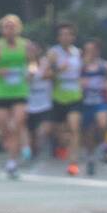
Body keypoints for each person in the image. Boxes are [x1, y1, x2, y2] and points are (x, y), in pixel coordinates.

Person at [0, 14, 39, 179]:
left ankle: (12, 162)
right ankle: (10, 148)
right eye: (6, 26)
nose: (10, 29)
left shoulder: (26, 45)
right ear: (2, 30)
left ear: (19, 28)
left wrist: (32, 70)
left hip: (20, 91)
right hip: (1, 92)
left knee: (17, 124)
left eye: (13, 26)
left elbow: (33, 62)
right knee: (5, 129)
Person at [46, 22, 84, 176]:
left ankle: (73, 162)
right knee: (60, 133)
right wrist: (58, 70)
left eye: (68, 34)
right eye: (62, 34)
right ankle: (64, 147)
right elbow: (46, 74)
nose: (65, 37)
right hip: (58, 97)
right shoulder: (53, 53)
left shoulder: (78, 53)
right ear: (58, 37)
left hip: (75, 96)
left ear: (73, 37)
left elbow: (83, 71)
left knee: (74, 128)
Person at [79, 38, 107, 175]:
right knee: (87, 131)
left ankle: (101, 145)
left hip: (100, 100)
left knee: (102, 124)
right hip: (85, 101)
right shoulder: (80, 66)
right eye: (87, 50)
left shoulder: (105, 66)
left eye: (93, 50)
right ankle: (90, 156)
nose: (90, 53)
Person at [24, 42, 54, 163]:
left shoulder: (46, 63)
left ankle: (39, 147)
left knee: (44, 130)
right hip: (29, 104)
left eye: (34, 50)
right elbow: (26, 78)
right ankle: (32, 153)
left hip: (45, 104)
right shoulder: (23, 64)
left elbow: (51, 74)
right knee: (31, 134)